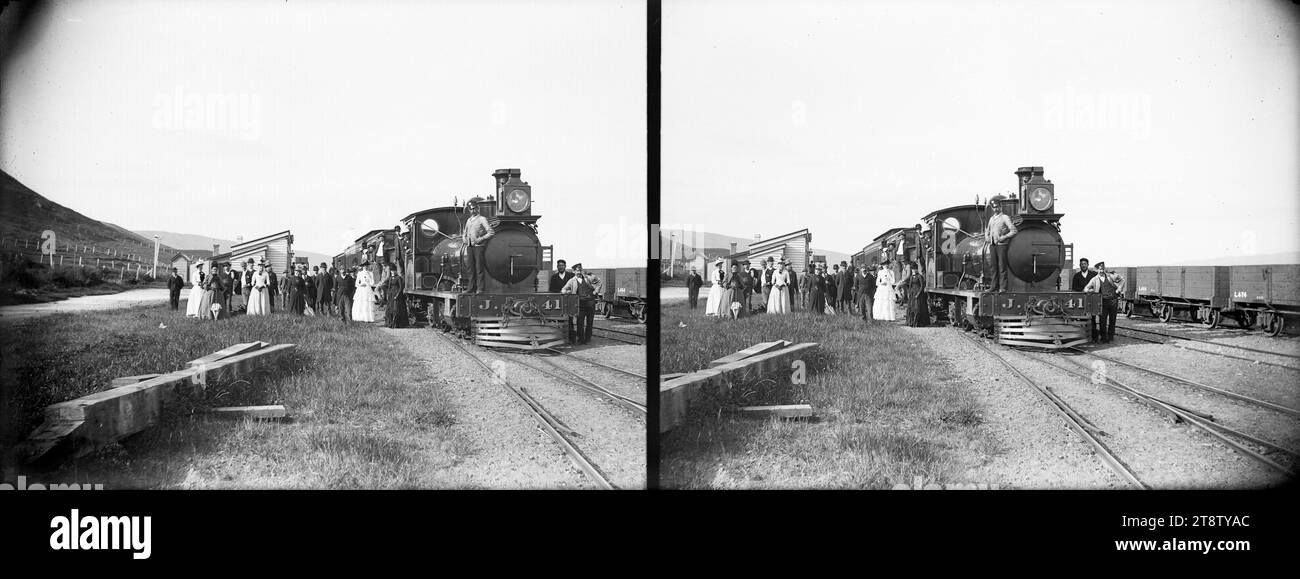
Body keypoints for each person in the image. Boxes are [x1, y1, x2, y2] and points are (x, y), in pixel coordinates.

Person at [985, 196, 1018, 292]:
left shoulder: (1005, 217)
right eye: (994, 207)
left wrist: (1003, 237)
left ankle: (1003, 287)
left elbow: (1014, 230)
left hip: (1001, 245)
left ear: (1001, 207)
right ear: (992, 208)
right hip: (992, 245)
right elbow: (987, 230)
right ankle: (993, 286)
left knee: (1002, 266)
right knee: (993, 267)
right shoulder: (991, 219)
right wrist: (987, 238)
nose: (996, 209)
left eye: (998, 207)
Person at [464, 198, 495, 293]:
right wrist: (464, 239)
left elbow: (491, 232)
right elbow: (465, 233)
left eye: (474, 208)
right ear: (469, 210)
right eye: (471, 209)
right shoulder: (469, 220)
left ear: (478, 208)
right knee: (470, 268)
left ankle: (480, 288)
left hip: (479, 247)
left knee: (479, 268)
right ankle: (471, 288)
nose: (473, 210)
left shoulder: (482, 219)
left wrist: (480, 239)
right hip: (469, 246)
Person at [561, 264, 599, 343]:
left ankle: (588, 339)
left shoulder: (588, 278)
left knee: (590, 322)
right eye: (577, 270)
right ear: (574, 271)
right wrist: (569, 292)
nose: (579, 272)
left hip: (590, 303)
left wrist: (596, 291)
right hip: (580, 304)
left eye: (580, 270)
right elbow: (563, 290)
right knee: (580, 322)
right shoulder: (572, 281)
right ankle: (581, 339)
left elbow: (599, 281)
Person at [1084, 261, 1120, 343]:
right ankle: (1103, 338)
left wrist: (1119, 289)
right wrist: (1091, 290)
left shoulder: (1110, 276)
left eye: (1102, 269)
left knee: (1112, 320)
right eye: (1100, 269)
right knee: (1102, 321)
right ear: (1097, 270)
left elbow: (1122, 280)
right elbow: (1086, 288)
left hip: (1113, 301)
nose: (1101, 271)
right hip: (1102, 302)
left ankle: (1111, 337)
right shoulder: (1094, 279)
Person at [1072, 258, 1099, 341]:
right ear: (1080, 265)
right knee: (1081, 318)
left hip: (1091, 299)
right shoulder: (1076, 276)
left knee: (1092, 318)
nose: (1083, 265)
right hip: (1081, 299)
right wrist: (1082, 290)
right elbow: (1074, 287)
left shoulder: (1093, 274)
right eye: (1082, 264)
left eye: (1085, 264)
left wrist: (1092, 290)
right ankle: (1083, 336)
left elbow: (1097, 284)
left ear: (1088, 265)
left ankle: (1094, 337)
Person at [903, 261, 931, 327]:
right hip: (912, 293)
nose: (913, 271)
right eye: (912, 269)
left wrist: (918, 294)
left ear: (916, 269)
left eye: (914, 269)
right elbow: (910, 286)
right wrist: (909, 293)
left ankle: (919, 322)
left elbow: (922, 286)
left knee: (918, 307)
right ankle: (911, 322)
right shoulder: (912, 277)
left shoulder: (920, 276)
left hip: (918, 293)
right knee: (911, 307)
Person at [382, 263, 407, 328]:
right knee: (390, 308)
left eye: (394, 270)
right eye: (391, 271)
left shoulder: (399, 278)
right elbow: (389, 286)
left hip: (397, 294)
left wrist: (397, 295)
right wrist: (387, 292)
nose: (392, 272)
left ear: (396, 271)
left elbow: (401, 287)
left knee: (397, 308)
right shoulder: (390, 278)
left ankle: (397, 323)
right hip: (391, 294)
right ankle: (390, 323)